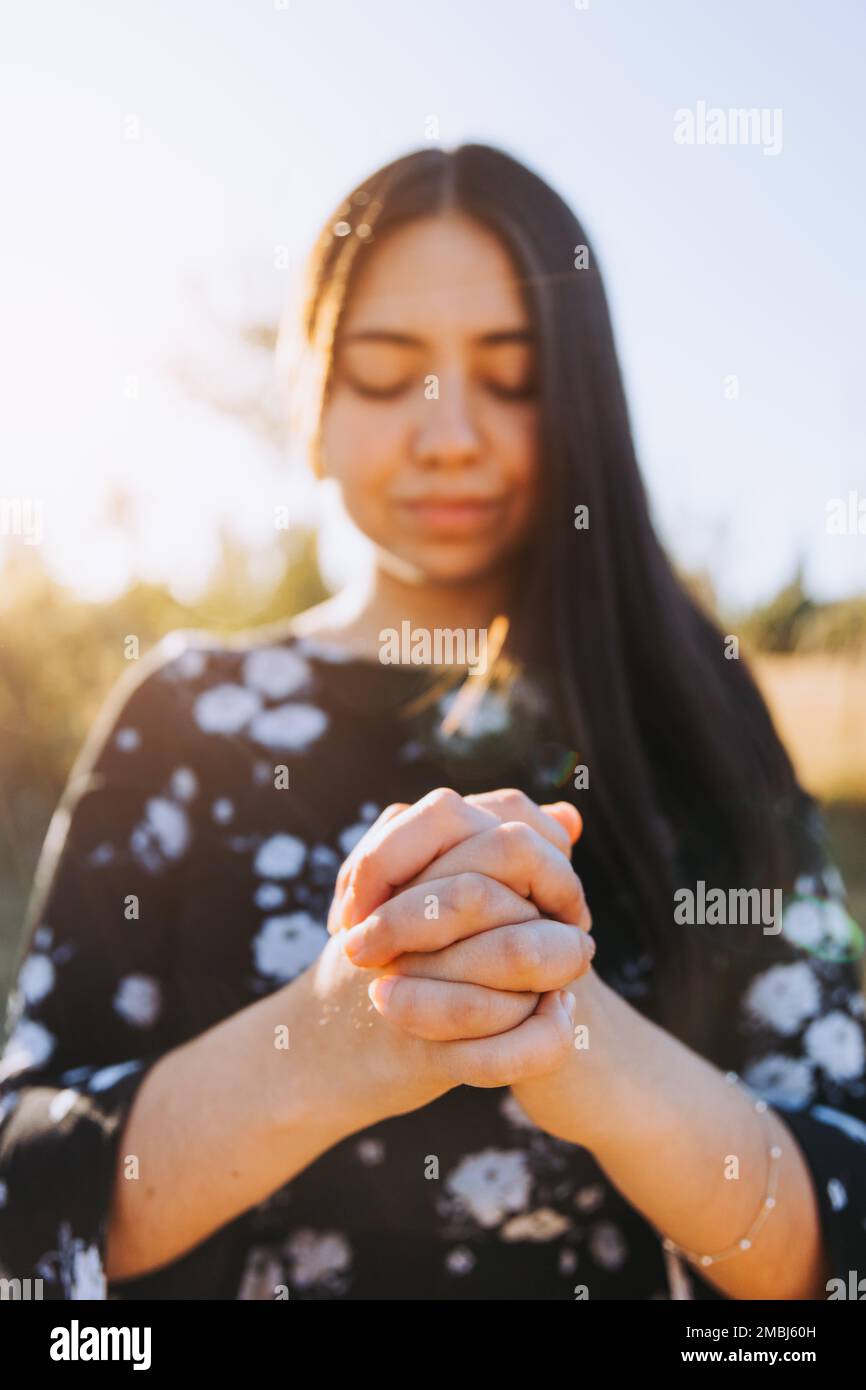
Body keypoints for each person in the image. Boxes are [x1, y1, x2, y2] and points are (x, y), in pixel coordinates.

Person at [1, 144, 864, 1301]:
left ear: (583, 397)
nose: (446, 433)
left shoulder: (688, 707)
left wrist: (573, 1036)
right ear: (310, 389)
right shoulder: (185, 713)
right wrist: (335, 1037)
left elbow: (837, 1224)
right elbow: (25, 1198)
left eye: (508, 376)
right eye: (383, 369)